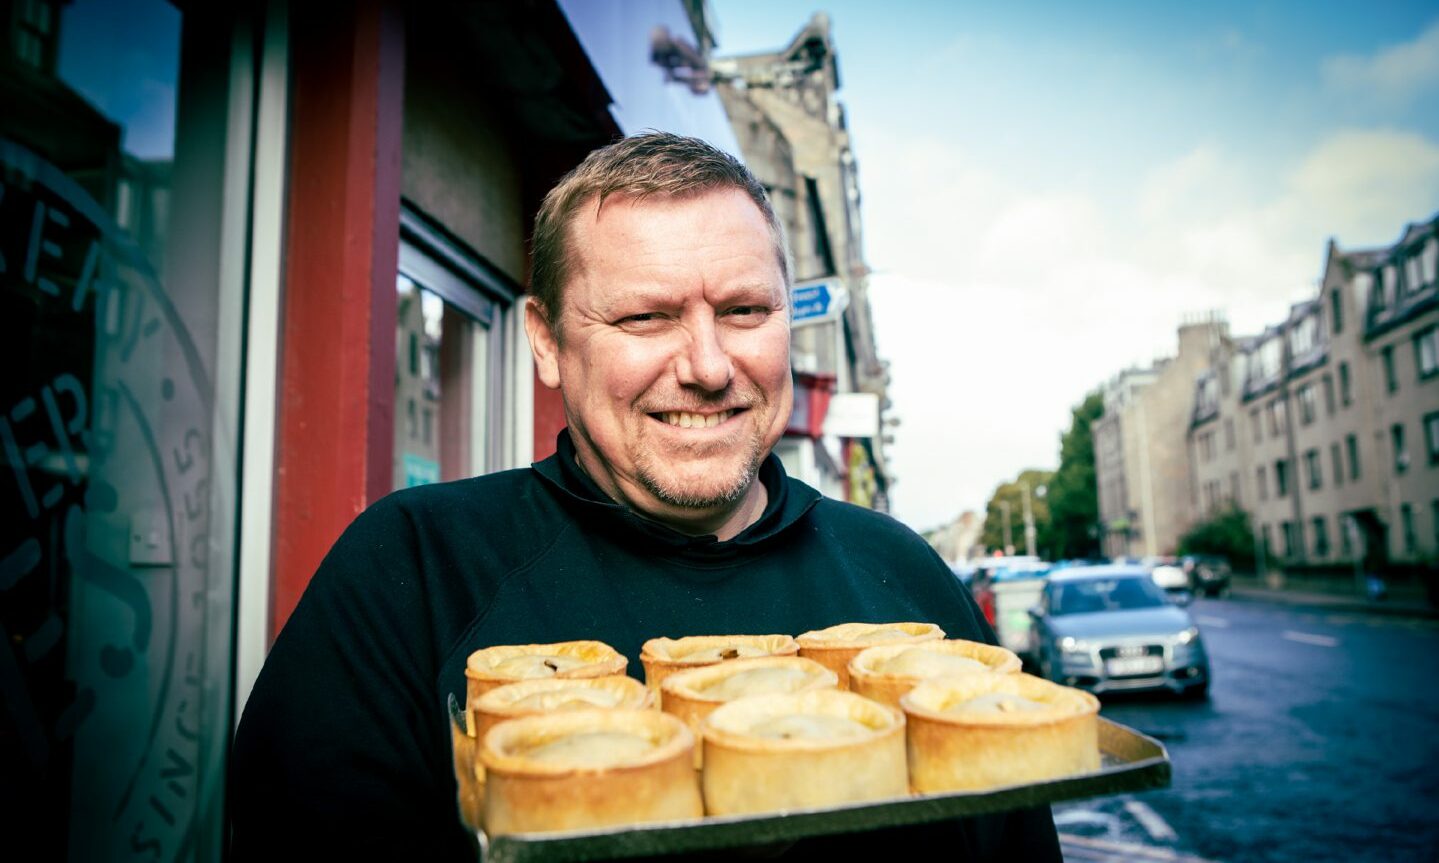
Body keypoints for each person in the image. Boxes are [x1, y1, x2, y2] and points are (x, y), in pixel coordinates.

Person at [229, 132, 1061, 860]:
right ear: (546, 341)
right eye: (645, 318)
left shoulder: (901, 576)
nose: (705, 366)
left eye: (743, 310)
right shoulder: (411, 571)